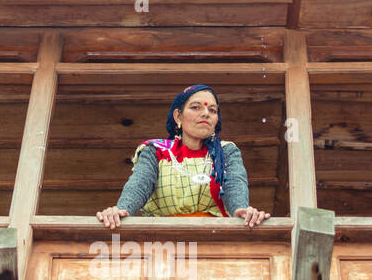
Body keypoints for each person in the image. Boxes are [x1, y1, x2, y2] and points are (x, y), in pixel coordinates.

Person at [96, 84, 269, 228]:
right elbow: (140, 184)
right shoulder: (155, 150)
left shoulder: (226, 152)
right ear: (178, 116)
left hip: (215, 238)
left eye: (212, 110)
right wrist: (121, 209)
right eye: (196, 107)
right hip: (162, 239)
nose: (206, 113)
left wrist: (242, 210)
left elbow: (235, 184)